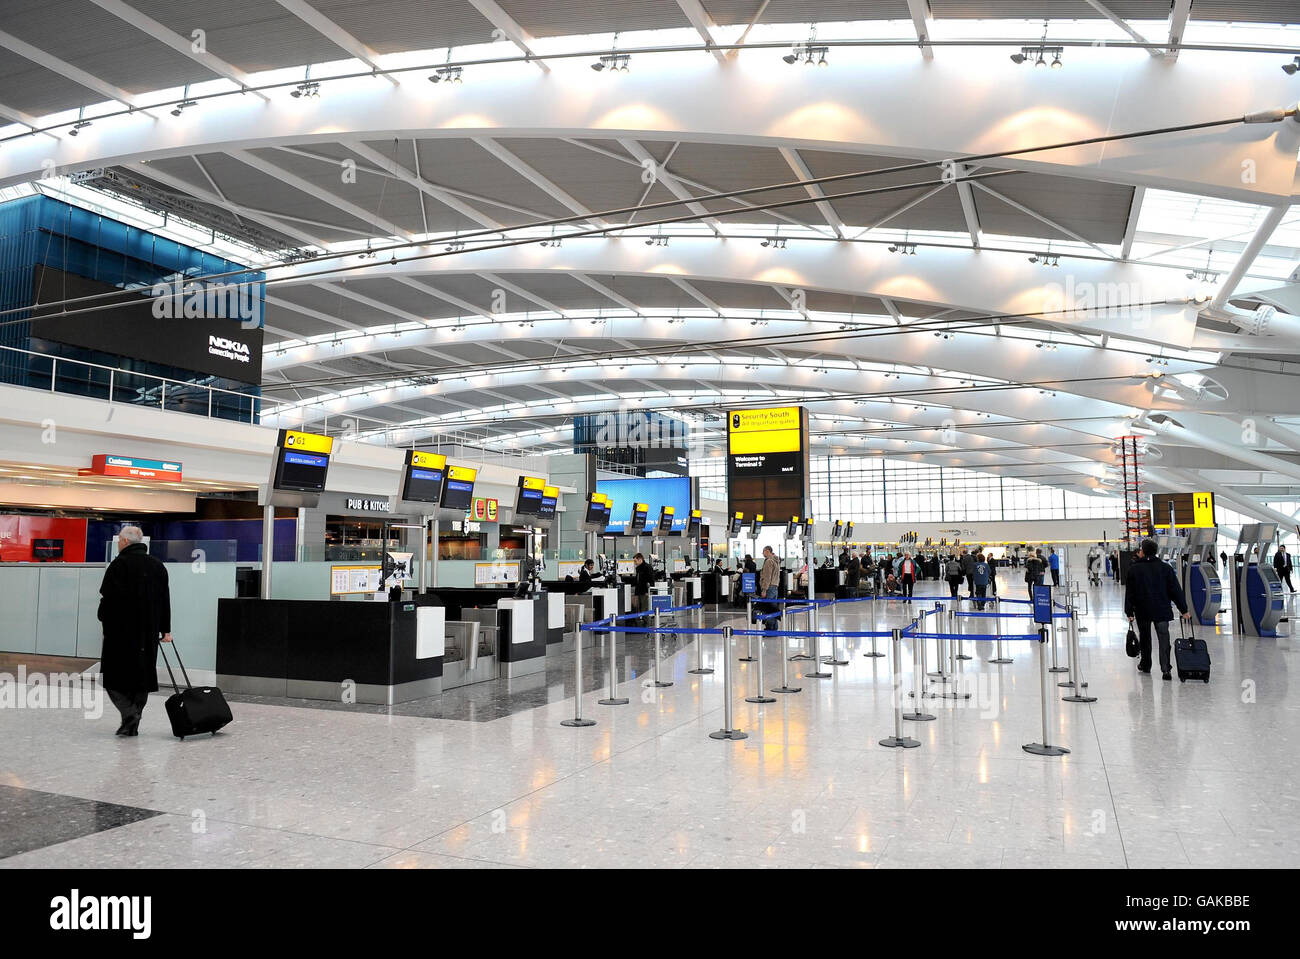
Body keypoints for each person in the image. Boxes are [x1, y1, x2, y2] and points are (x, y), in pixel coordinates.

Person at [97, 525, 172, 737]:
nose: (118, 543)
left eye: (119, 540)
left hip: (120, 632)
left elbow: (108, 599)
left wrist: (103, 619)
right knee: (142, 677)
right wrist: (165, 630)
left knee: (113, 678)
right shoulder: (158, 566)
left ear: (125, 542)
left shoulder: (119, 565)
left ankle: (129, 715)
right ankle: (134, 718)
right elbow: (164, 601)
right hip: (147, 633)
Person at [1124, 537, 1192, 680]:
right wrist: (1183, 609)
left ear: (1142, 552)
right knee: (1163, 638)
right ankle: (1166, 669)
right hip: (1161, 609)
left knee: (1145, 637)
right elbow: (1175, 590)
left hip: (1142, 610)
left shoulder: (1134, 569)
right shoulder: (1165, 568)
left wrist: (1129, 611)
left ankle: (1146, 664)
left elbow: (1130, 592)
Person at [759, 545, 781, 630]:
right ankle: (774, 628)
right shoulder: (776, 561)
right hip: (775, 587)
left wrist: (764, 590)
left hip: (769, 588)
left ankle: (770, 629)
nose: (763, 553)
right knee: (773, 608)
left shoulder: (769, 561)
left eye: (763, 551)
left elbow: (767, 577)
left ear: (767, 551)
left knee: (768, 609)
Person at [631, 552, 653, 619]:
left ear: (640, 559)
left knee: (644, 608)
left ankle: (645, 622)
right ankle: (640, 622)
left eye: (635, 561)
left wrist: (648, 591)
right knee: (639, 608)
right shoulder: (638, 568)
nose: (635, 563)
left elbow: (651, 579)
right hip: (639, 591)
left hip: (644, 591)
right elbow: (637, 580)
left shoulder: (647, 567)